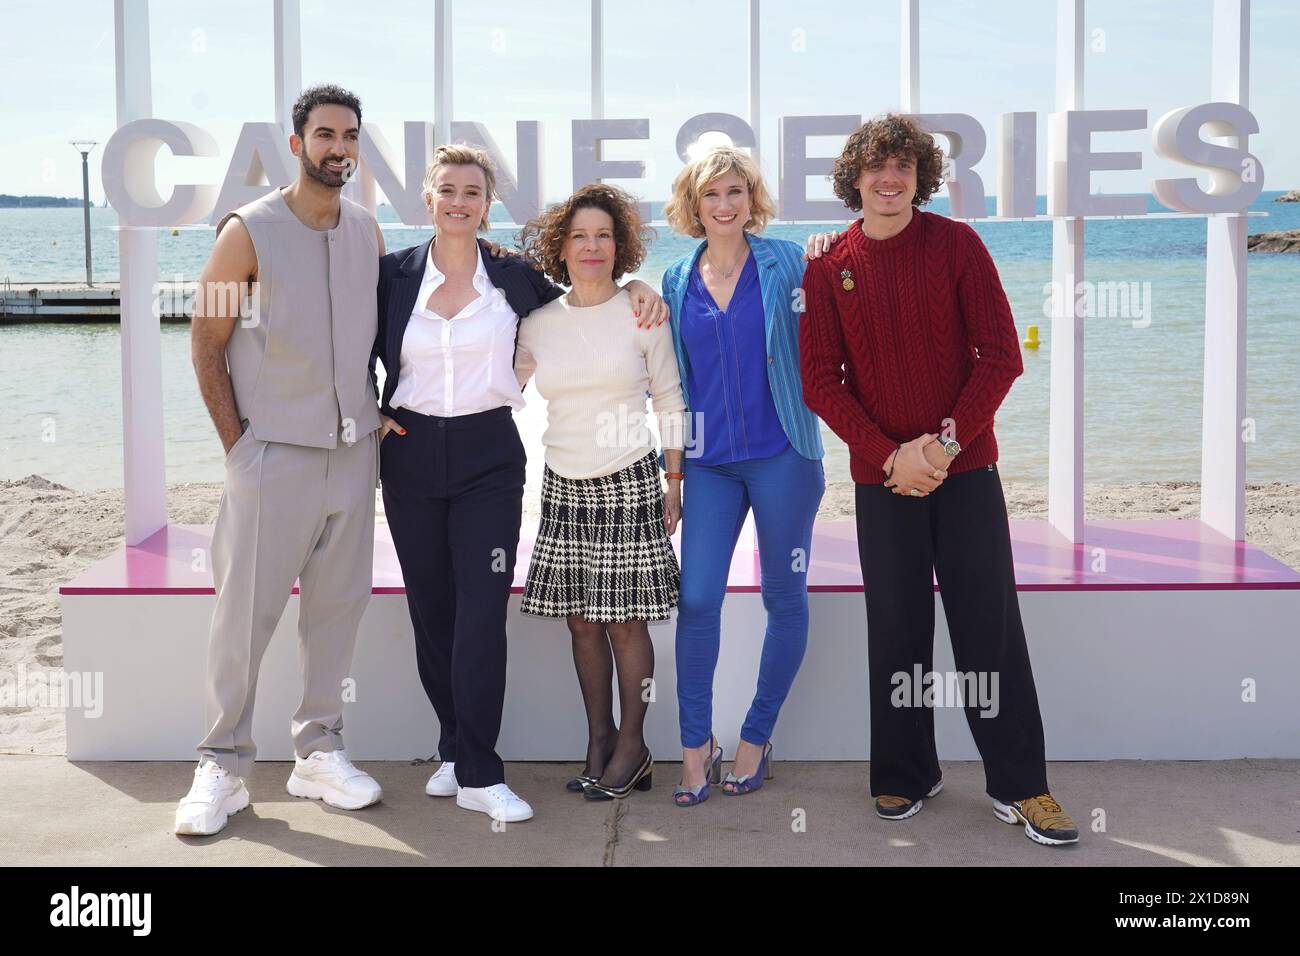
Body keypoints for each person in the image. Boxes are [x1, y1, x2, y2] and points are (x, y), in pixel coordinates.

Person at [799, 113, 1079, 845]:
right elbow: (820, 382)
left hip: (966, 472)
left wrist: (942, 448)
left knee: (988, 626)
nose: (889, 179)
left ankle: (1022, 786)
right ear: (853, 178)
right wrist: (892, 457)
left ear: (922, 177)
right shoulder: (827, 266)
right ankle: (904, 771)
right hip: (880, 478)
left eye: (903, 167)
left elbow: (1000, 356)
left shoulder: (958, 244)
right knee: (896, 628)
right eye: (875, 167)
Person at [371, 146, 669, 822]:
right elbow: (353, 348)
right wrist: (373, 412)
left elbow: (587, 303)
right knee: (433, 611)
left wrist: (641, 289)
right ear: (428, 199)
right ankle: (453, 747)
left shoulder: (512, 275)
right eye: (447, 189)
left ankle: (480, 769)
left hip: (488, 458)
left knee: (480, 611)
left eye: (472, 191)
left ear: (487, 203)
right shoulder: (392, 275)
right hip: (411, 454)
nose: (459, 201)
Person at [177, 84, 385, 836]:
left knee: (335, 613)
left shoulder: (368, 231)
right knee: (244, 619)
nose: (339, 147)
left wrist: (380, 414)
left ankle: (318, 752)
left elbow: (383, 338)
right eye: (325, 134)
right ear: (297, 145)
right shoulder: (249, 231)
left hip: (352, 458)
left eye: (350, 136)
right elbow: (206, 341)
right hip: (272, 457)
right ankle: (223, 765)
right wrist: (239, 448)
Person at [659, 147, 827, 806]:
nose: (724, 206)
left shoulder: (789, 261)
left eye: (734, 192)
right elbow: (671, 383)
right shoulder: (675, 280)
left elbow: (845, 304)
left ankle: (757, 737)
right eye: (711, 196)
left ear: (750, 197)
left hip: (785, 455)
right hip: (709, 466)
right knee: (698, 600)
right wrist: (673, 475)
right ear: (693, 206)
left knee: (782, 598)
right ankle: (696, 748)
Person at [514, 184, 685, 801]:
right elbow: (497, 389)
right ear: (562, 246)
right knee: (581, 623)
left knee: (625, 625)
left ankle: (635, 746)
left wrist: (674, 481)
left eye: (604, 236)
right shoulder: (536, 324)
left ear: (620, 247)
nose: (592, 246)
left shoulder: (643, 312)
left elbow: (669, 398)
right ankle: (599, 739)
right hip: (561, 484)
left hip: (631, 478)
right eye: (580, 236)